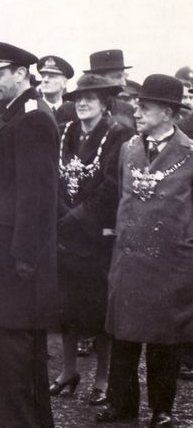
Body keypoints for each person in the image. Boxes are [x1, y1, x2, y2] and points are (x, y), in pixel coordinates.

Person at [95, 75, 193, 428]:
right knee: (123, 335)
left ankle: (161, 409)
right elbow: (123, 198)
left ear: (167, 112)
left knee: (163, 340)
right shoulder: (129, 149)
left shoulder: (190, 154)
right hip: (129, 258)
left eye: (145, 106)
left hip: (171, 262)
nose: (136, 111)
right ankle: (123, 404)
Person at [0, 41, 59, 428]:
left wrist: (24, 258)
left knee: (14, 357)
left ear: (22, 73)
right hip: (6, 254)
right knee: (9, 355)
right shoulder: (15, 115)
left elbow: (37, 196)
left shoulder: (33, 117)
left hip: (15, 260)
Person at [48, 74, 133, 407]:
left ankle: (102, 379)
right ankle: (68, 371)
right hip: (65, 232)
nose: (82, 103)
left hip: (98, 234)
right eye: (79, 98)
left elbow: (112, 186)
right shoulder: (65, 131)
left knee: (99, 310)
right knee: (66, 305)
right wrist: (61, 216)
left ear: (105, 102)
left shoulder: (118, 134)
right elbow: (53, 177)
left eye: (91, 98)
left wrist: (76, 218)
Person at [84, 49, 136, 131]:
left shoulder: (127, 109)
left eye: (124, 77)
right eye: (117, 77)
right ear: (99, 79)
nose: (124, 83)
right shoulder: (78, 109)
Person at [38, 55, 77, 126]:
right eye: (43, 76)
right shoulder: (33, 108)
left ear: (65, 83)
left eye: (52, 76)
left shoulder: (74, 110)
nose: (45, 80)